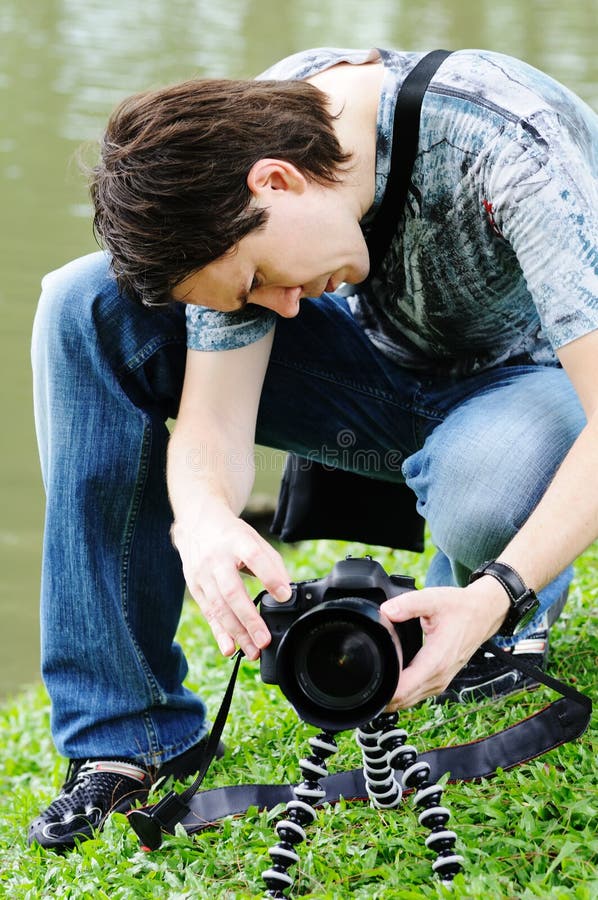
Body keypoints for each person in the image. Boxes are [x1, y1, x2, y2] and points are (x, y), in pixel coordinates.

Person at [29, 47, 597, 851]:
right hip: (378, 372)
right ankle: (129, 739)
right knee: (81, 302)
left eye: (261, 274)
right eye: (253, 294)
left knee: (488, 488)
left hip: (533, 383)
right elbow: (216, 421)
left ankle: (492, 617)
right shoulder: (237, 161)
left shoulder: (508, 144)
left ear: (277, 181)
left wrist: (496, 592)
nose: (278, 310)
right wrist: (201, 520)